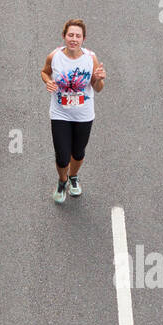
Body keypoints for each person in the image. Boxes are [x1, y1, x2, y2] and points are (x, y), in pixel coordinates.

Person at [40, 19, 105, 203]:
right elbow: (44, 72)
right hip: (60, 113)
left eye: (78, 36)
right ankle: (62, 181)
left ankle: (73, 177)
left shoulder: (90, 58)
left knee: (78, 152)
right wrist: (48, 81)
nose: (74, 39)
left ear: (83, 39)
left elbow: (98, 87)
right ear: (64, 36)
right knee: (62, 156)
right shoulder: (54, 56)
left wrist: (99, 79)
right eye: (70, 35)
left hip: (83, 114)